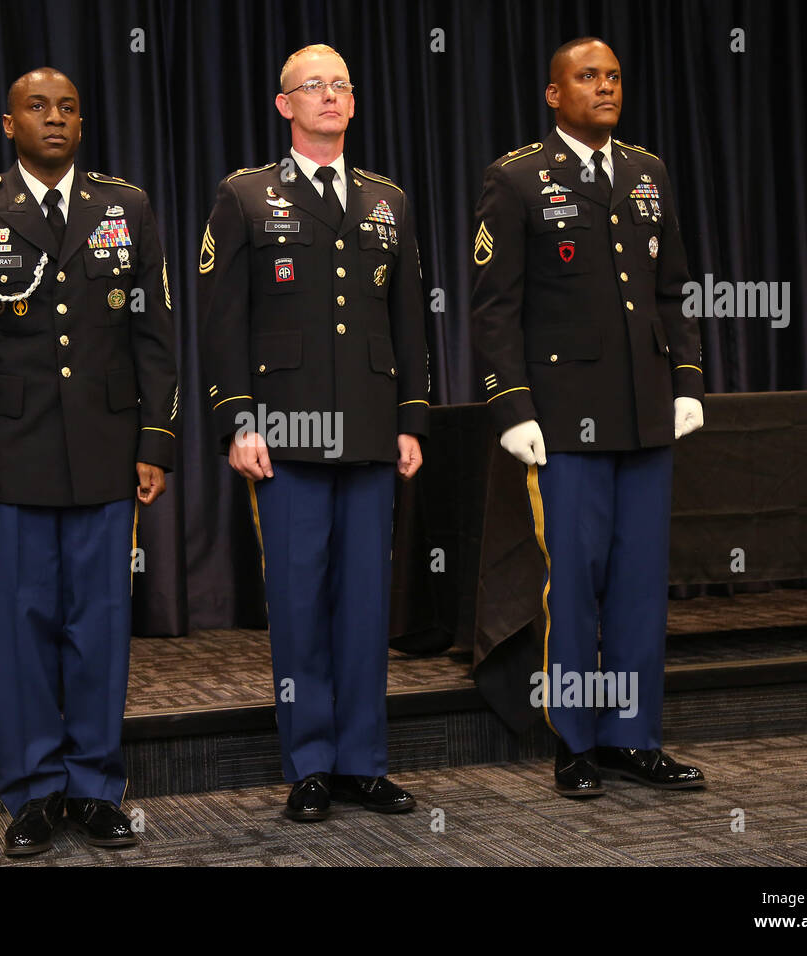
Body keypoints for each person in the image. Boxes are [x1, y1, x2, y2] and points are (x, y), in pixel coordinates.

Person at [0, 67, 178, 853]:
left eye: (67, 107)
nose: (55, 118)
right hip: (15, 459)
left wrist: (155, 444)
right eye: (38, 107)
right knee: (25, 634)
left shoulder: (124, 206)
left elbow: (155, 335)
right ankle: (32, 794)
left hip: (105, 456)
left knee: (100, 629)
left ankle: (96, 788)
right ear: (9, 124)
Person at [197, 44, 430, 822]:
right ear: (283, 105)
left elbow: (407, 323)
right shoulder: (245, 195)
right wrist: (237, 418)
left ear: (354, 104)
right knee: (299, 606)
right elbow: (223, 322)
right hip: (285, 433)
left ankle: (363, 761)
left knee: (365, 606)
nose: (328, 96)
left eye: (340, 85)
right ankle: (309, 766)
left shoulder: (387, 199)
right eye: (312, 86)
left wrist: (411, 420)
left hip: (368, 429)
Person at [470, 38, 707, 798]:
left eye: (612, 76)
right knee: (572, 586)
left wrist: (689, 383)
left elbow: (673, 289)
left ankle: (631, 739)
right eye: (586, 77)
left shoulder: (647, 172)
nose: (604, 87)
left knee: (639, 586)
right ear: (553, 94)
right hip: (565, 420)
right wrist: (512, 405)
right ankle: (574, 742)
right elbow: (495, 308)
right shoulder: (516, 179)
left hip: (645, 415)